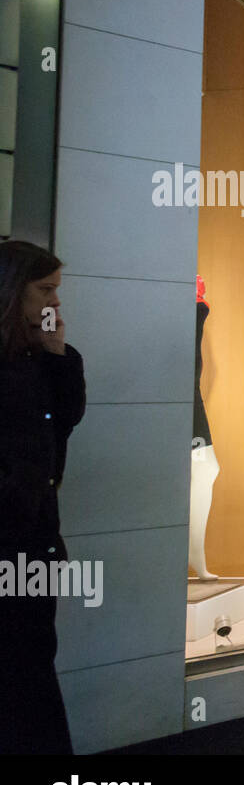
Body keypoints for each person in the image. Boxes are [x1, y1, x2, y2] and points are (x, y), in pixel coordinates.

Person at [0, 240, 85, 752]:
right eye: (45, 290)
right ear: (14, 291)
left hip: (37, 540)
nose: (54, 302)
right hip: (11, 536)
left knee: (33, 660)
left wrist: (56, 354)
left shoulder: (44, 356)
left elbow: (66, 422)